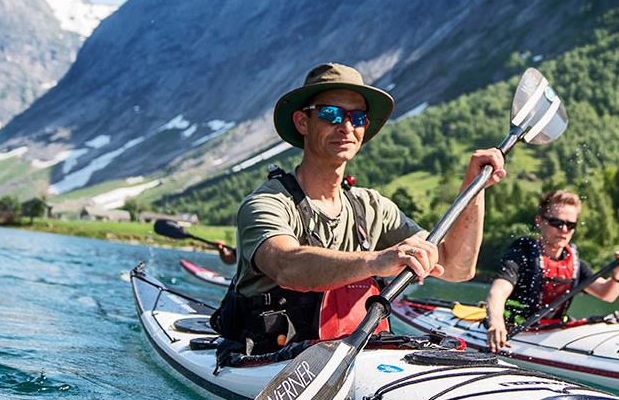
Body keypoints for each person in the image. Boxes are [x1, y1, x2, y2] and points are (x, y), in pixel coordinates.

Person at [209, 62, 505, 359]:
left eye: (358, 117)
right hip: (262, 359)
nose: (347, 127)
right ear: (302, 122)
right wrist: (377, 261)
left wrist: (474, 188)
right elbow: (285, 265)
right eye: (331, 114)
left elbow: (456, 267)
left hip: (352, 362)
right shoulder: (267, 202)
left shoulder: (372, 207)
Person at [483, 190, 619, 353]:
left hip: (553, 330)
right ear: (539, 221)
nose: (563, 229)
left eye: (570, 225)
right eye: (556, 222)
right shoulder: (522, 255)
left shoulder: (575, 263)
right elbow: (498, 291)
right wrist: (496, 322)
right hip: (513, 329)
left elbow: (607, 294)